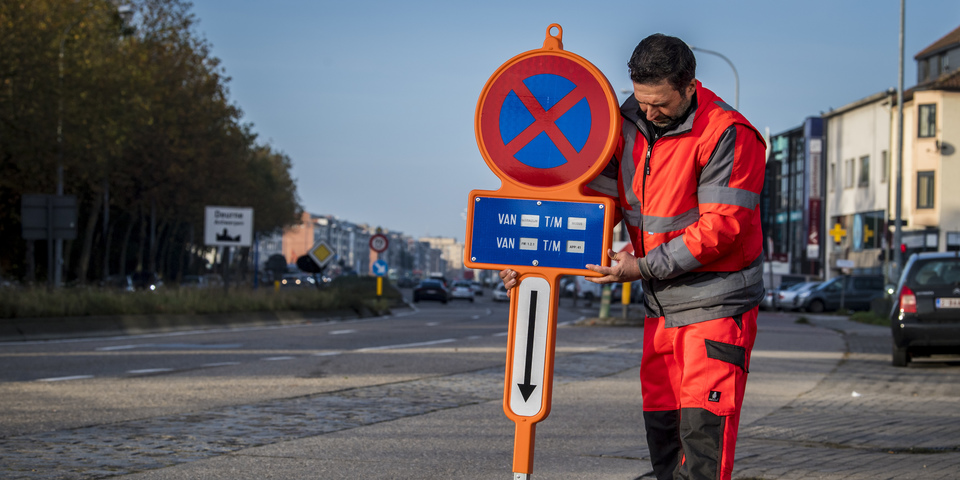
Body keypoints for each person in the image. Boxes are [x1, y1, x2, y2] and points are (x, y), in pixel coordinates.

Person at [499, 33, 766, 480]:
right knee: (662, 437)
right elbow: (591, 211)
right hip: (659, 309)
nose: (649, 112)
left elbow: (720, 229)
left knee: (702, 446)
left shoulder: (729, 134)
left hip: (715, 311)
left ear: (689, 86)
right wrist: (534, 260)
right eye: (642, 101)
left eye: (660, 103)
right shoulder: (624, 124)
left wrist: (638, 267)